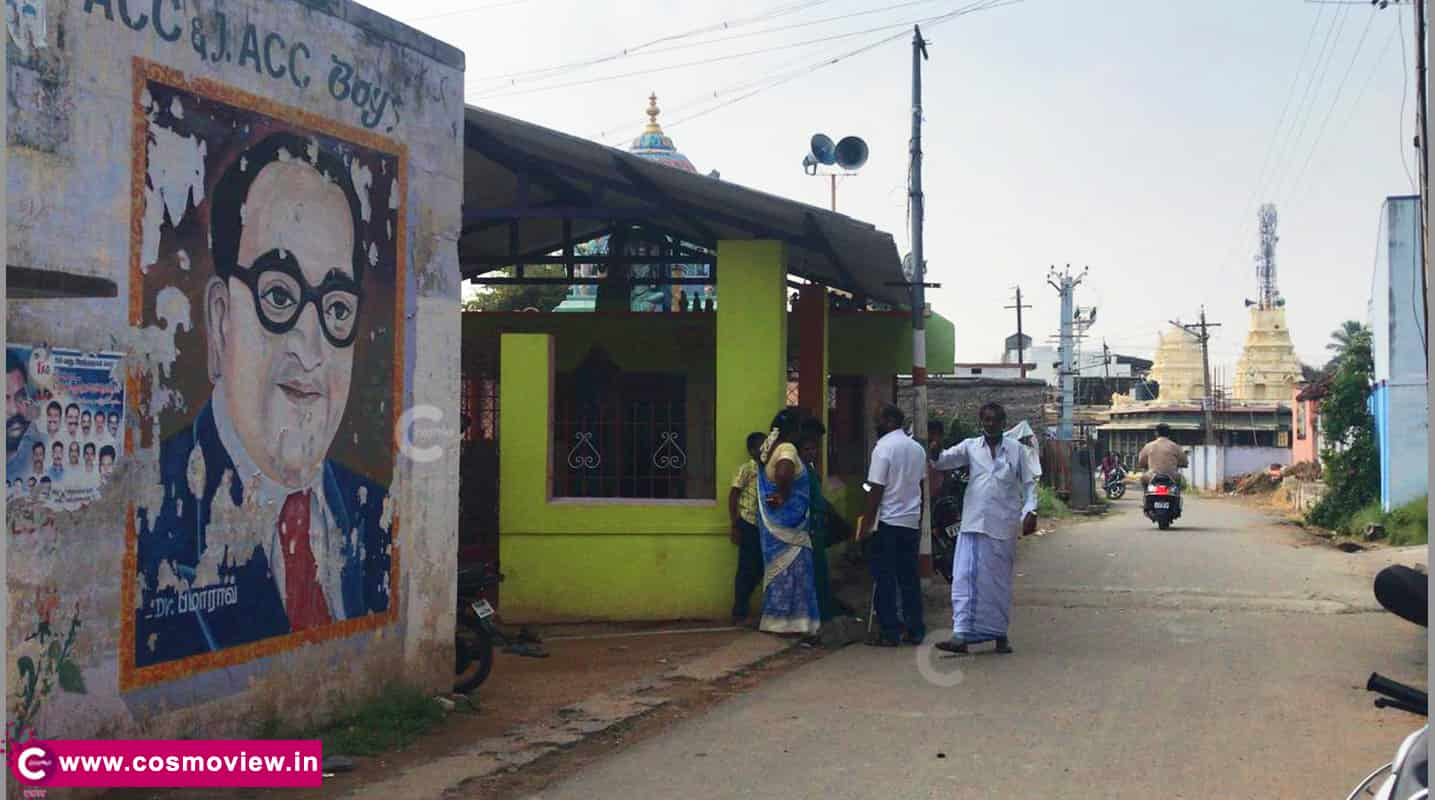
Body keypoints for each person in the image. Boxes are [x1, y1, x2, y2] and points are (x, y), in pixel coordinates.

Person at [135, 131, 392, 667]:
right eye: (279, 295)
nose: (311, 346)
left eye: (337, 309)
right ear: (222, 318)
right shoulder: (150, 520)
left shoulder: (376, 516)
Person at [932, 402, 1038, 655]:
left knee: (997, 584)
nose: (989, 424)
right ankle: (961, 635)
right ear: (982, 422)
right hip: (972, 524)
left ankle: (999, 635)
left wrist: (1030, 511)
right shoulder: (970, 446)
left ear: (1003, 422)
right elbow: (944, 461)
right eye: (986, 420)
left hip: (1002, 526)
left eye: (994, 420)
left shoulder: (1016, 451)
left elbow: (1029, 485)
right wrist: (935, 451)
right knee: (964, 578)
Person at [863, 404, 928, 647]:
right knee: (909, 578)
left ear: (890, 421)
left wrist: (867, 522)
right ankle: (915, 629)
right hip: (910, 522)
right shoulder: (916, 449)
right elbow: (920, 486)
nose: (874, 424)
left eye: (877, 419)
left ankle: (890, 631)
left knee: (885, 577)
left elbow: (875, 487)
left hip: (887, 522)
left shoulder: (883, 448)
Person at [753, 408, 820, 636]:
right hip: (789, 527)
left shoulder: (769, 448)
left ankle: (776, 621)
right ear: (795, 429)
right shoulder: (787, 448)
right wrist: (783, 494)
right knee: (795, 572)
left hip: (773, 527)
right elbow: (783, 473)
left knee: (779, 572)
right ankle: (795, 623)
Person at [798, 418, 852, 622]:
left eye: (815, 447)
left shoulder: (810, 469)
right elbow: (778, 498)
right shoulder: (795, 469)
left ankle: (824, 608)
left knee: (820, 571)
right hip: (806, 527)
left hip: (817, 526)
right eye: (808, 448)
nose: (813, 451)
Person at [728, 432, 766, 626]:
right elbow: (733, 495)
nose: (764, 449)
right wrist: (735, 524)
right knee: (745, 568)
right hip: (748, 523)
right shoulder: (746, 469)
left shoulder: (771, 470)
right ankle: (739, 611)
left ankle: (754, 607)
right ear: (751, 450)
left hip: (766, 525)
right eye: (761, 446)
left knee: (761, 567)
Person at [1136, 423, 1187, 488]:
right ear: (1169, 433)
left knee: (1143, 478)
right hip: (1172, 477)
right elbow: (1184, 462)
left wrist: (1144, 465)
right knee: (1182, 482)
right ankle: (1177, 496)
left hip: (1152, 476)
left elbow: (1141, 462)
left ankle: (1146, 494)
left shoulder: (1148, 446)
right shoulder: (1175, 446)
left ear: (1156, 433)